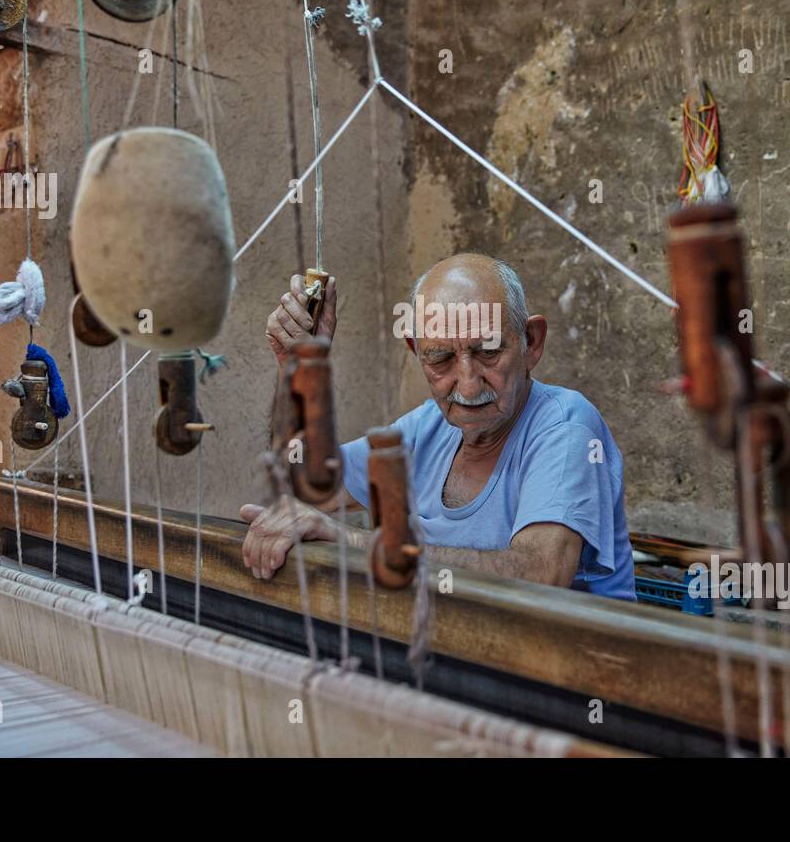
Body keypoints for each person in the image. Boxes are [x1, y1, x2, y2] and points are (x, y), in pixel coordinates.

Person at [240, 253, 636, 600]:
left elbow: (539, 574)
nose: (467, 383)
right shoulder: (427, 429)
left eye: (488, 351)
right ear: (416, 351)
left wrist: (355, 541)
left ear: (531, 342)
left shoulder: (566, 429)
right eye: (440, 359)